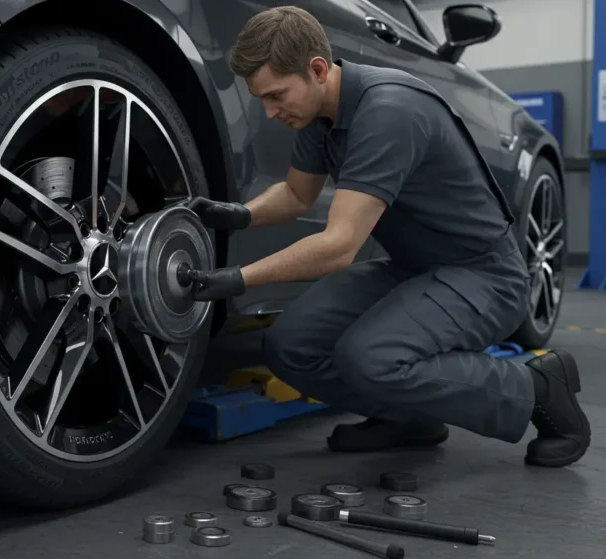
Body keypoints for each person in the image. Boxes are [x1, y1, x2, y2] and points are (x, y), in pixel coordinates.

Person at [182, 6, 591, 467]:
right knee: (290, 345)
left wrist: (236, 279)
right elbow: (298, 194)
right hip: (414, 267)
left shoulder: (388, 111)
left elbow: (339, 246)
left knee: (371, 357)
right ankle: (408, 417)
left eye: (276, 95)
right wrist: (237, 214)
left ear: (318, 69)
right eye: (262, 99)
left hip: (484, 275)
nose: (270, 111)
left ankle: (539, 388)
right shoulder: (320, 113)